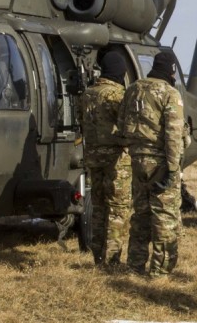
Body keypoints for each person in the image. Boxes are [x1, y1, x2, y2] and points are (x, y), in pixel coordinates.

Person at [118, 51, 186, 278]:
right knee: (165, 219)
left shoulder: (133, 89)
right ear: (171, 71)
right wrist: (173, 168)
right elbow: (173, 134)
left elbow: (121, 123)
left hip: (136, 159)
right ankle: (160, 271)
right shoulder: (169, 93)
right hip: (160, 162)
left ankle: (135, 266)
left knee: (140, 216)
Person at [80, 48, 132, 267]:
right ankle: (112, 260)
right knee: (118, 209)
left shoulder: (88, 93)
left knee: (99, 207)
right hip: (115, 160)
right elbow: (127, 127)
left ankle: (98, 257)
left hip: (93, 156)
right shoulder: (117, 95)